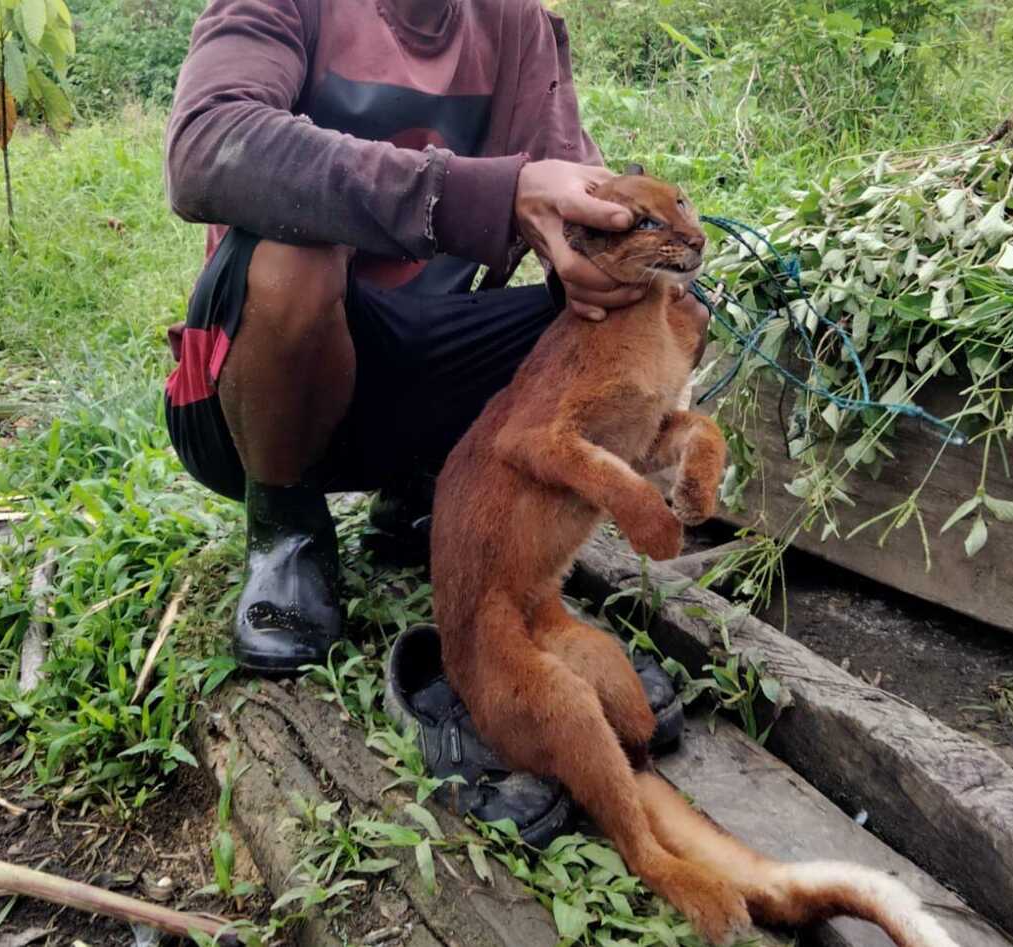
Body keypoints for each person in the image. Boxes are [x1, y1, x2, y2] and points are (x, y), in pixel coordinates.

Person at [163, 0, 698, 841]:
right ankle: (286, 526)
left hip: (430, 366)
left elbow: (577, 193)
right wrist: (486, 193)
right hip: (265, 381)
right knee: (298, 253)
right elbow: (205, 147)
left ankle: (441, 507)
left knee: (654, 312)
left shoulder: (517, 24)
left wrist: (598, 256)